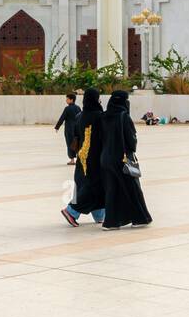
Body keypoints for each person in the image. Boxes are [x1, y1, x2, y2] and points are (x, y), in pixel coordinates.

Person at [100, 89, 151, 229]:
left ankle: (111, 222)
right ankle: (140, 218)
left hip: (105, 158)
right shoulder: (123, 116)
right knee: (133, 189)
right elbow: (131, 141)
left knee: (112, 191)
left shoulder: (104, 116)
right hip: (121, 159)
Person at [61, 88, 106, 226]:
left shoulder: (80, 115)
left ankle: (99, 214)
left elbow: (77, 135)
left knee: (83, 184)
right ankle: (71, 211)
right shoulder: (99, 116)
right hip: (94, 157)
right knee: (94, 185)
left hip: (82, 155)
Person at [54, 91, 82, 162]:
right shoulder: (78, 108)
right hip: (77, 129)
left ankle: (72, 160)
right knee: (78, 143)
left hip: (69, 129)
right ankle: (79, 158)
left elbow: (62, 118)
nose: (66, 100)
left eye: (67, 99)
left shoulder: (67, 108)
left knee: (70, 143)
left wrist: (57, 127)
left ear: (71, 100)